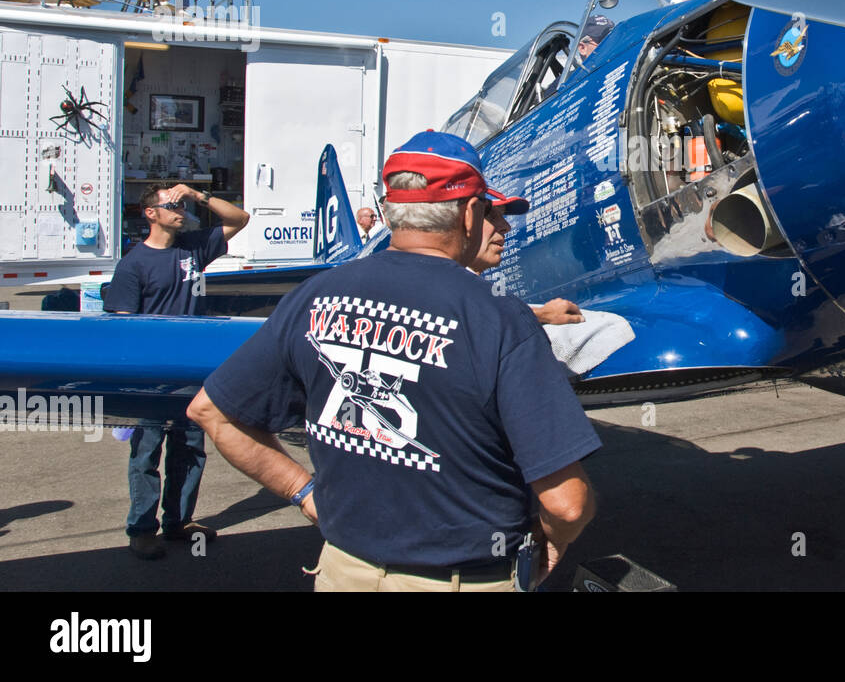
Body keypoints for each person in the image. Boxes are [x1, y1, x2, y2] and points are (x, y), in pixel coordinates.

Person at [187, 131, 600, 591]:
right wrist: (552, 547)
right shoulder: (501, 318)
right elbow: (567, 504)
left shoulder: (313, 294)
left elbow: (210, 410)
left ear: (391, 212)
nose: (498, 226)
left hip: (341, 572)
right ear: (468, 213)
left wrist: (304, 493)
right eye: (488, 211)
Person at [104, 182, 250, 559]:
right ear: (150, 214)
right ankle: (141, 528)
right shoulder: (133, 264)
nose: (179, 210)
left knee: (190, 450)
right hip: (151, 375)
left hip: (190, 372)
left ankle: (178, 521)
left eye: (181, 205)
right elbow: (123, 326)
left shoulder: (192, 247)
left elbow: (240, 218)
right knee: (147, 453)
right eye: (171, 205)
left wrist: (198, 196)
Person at [472, 190, 584, 326]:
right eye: (489, 215)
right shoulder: (443, 287)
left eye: (502, 216)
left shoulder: (475, 294)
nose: (506, 227)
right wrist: (543, 315)